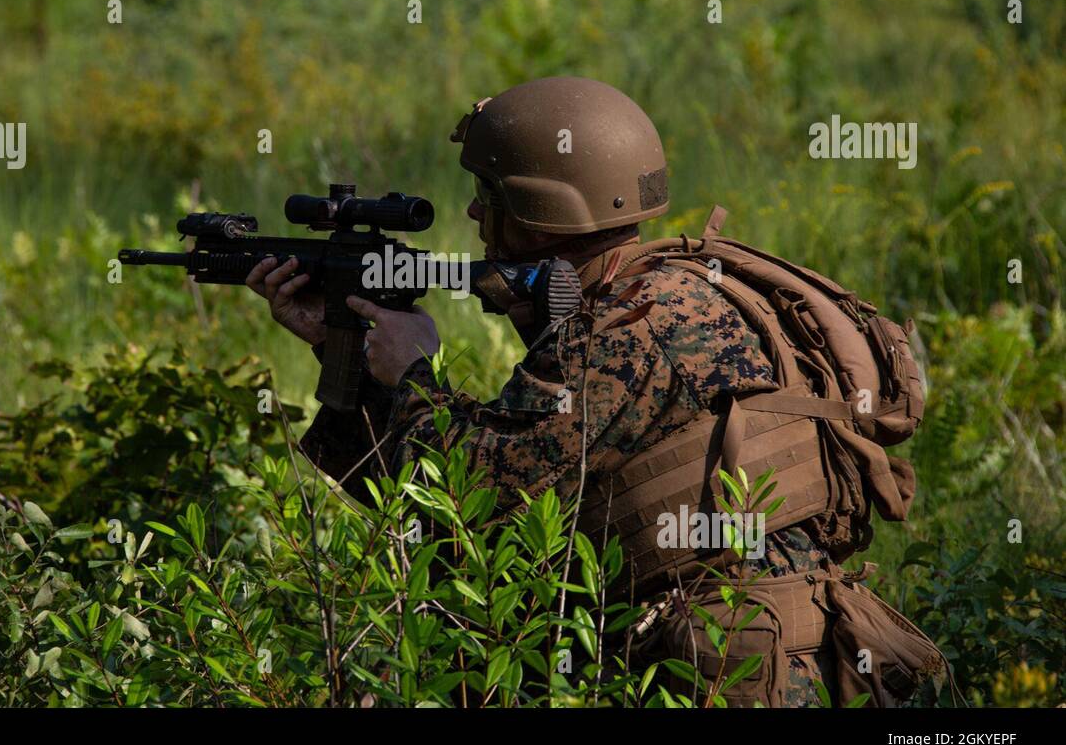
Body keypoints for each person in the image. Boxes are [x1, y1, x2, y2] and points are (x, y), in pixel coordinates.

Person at [244, 76, 898, 707]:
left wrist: (414, 372)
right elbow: (495, 468)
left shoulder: (624, 331)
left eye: (487, 193)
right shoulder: (680, 289)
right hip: (764, 643)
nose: (473, 211)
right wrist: (339, 349)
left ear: (538, 210)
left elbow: (471, 513)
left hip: (710, 669)